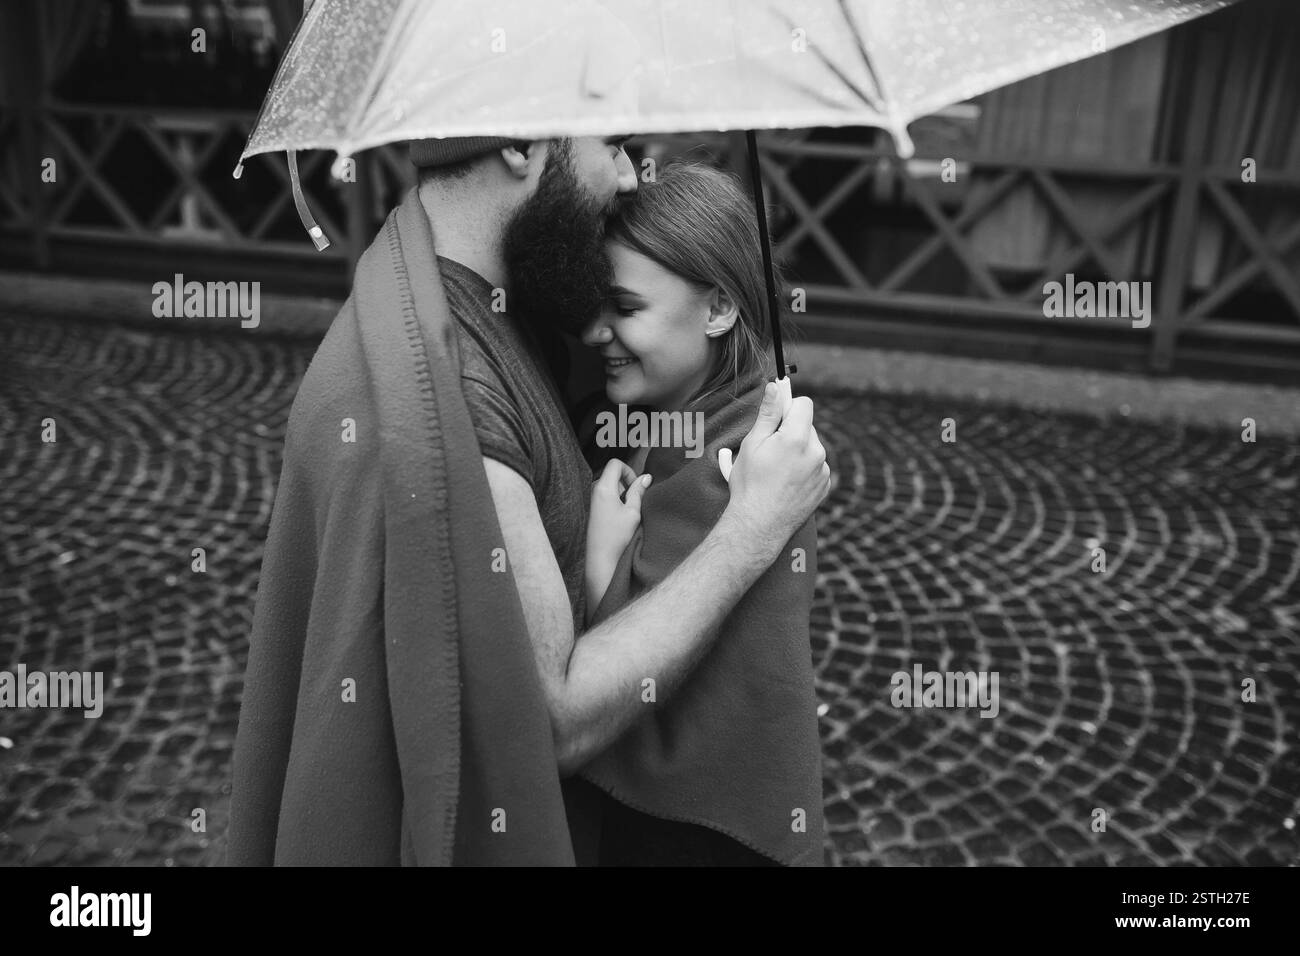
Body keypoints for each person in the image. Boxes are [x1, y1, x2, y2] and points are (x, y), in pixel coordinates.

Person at [228, 134, 830, 866]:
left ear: (720, 307)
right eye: (610, 141)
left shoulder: (511, 313)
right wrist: (749, 529)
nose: (626, 174)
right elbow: (557, 720)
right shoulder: (458, 386)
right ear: (518, 144)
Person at [576, 163, 824, 866]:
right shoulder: (698, 415)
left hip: (701, 825)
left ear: (718, 309)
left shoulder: (731, 462)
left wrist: (602, 567)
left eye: (624, 308)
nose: (595, 331)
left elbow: (642, 662)